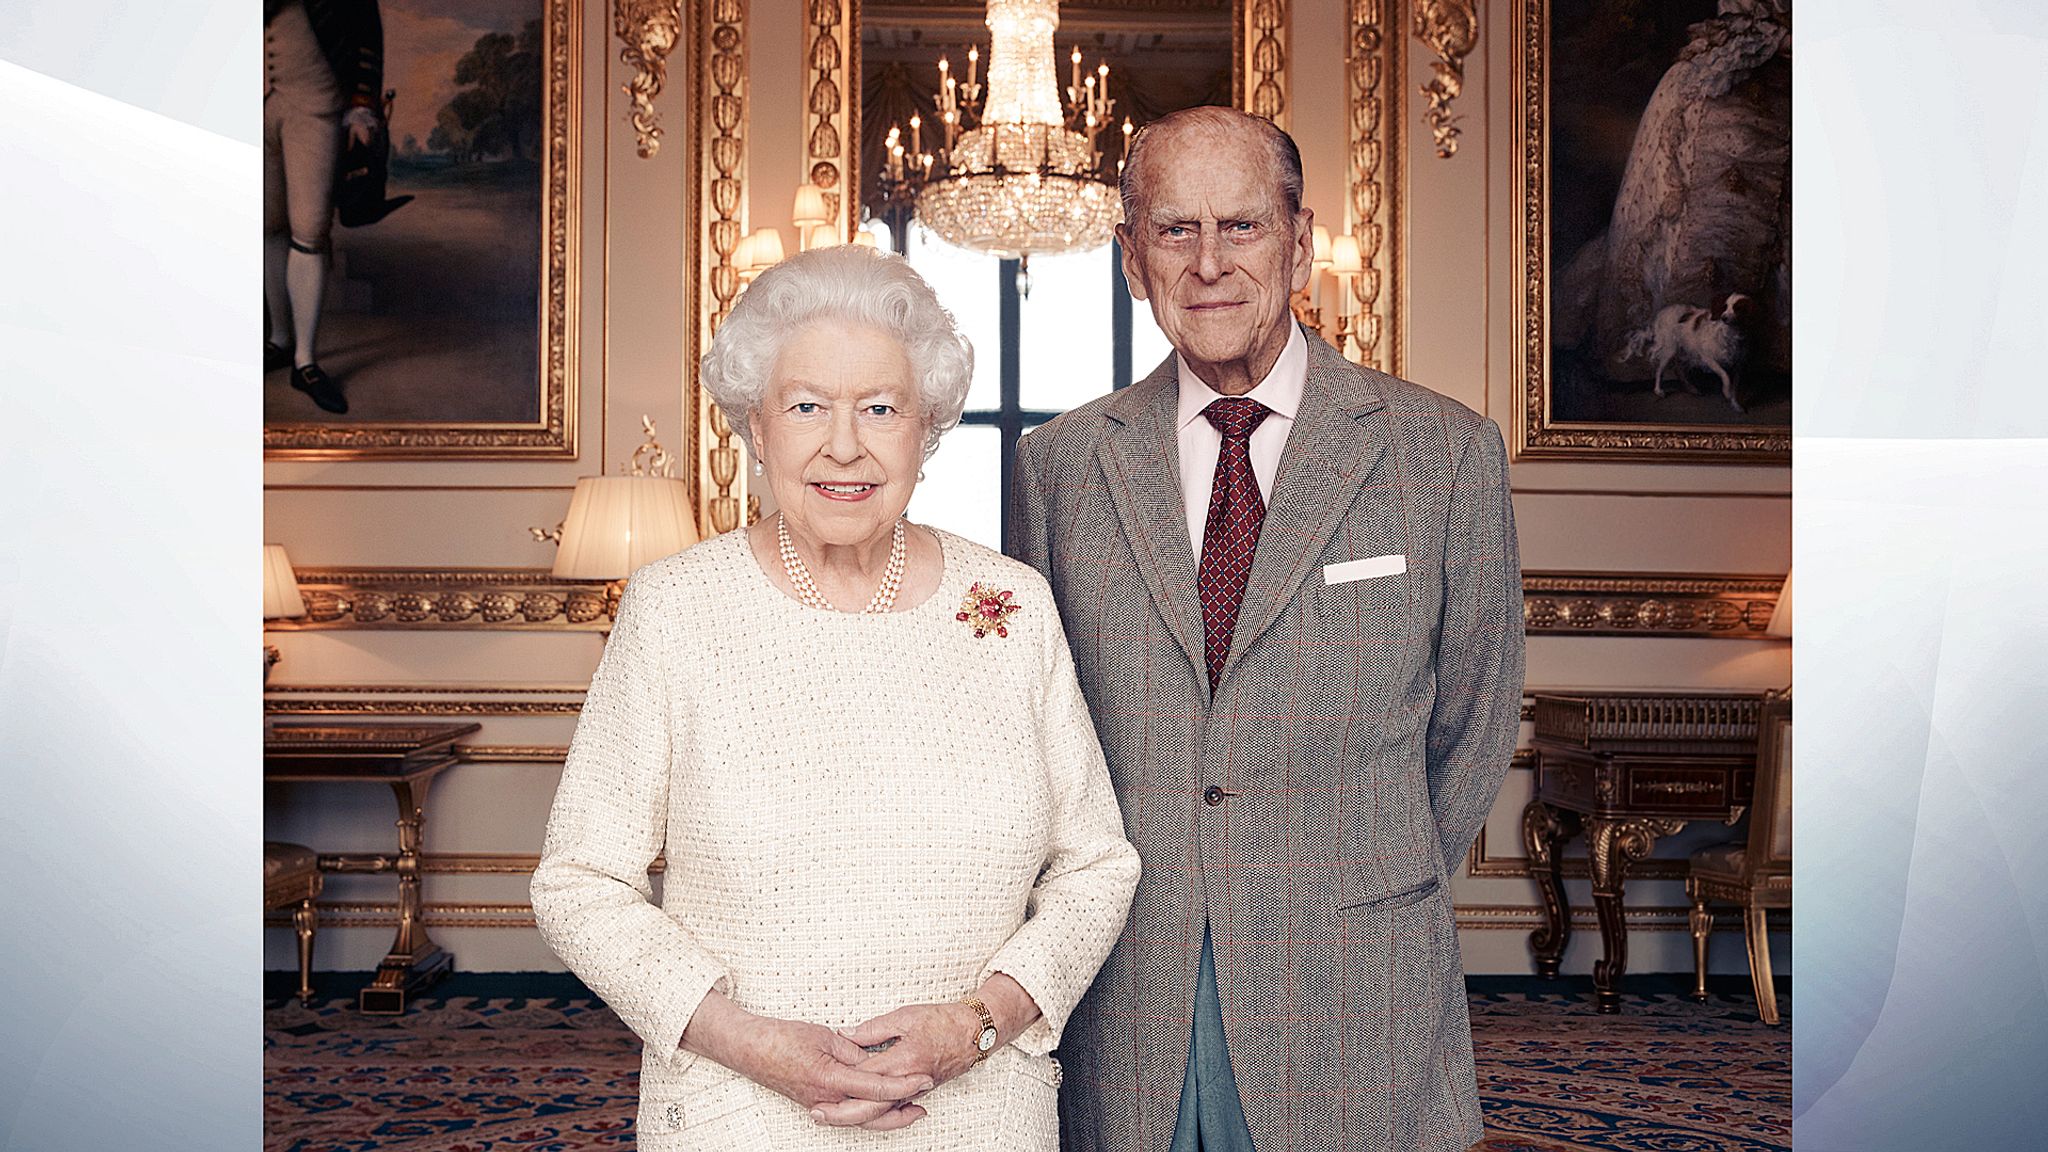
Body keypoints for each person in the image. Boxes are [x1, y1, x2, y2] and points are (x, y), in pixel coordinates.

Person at [531, 244, 1140, 1151]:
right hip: (739, 1115)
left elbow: (1097, 865)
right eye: (807, 406)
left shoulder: (1011, 606)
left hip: (980, 1117)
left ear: (926, 430)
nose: (845, 445)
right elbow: (578, 883)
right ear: (756, 426)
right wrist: (755, 1044)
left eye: (881, 409)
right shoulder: (675, 610)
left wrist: (979, 1024)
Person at [1008, 106, 1524, 1152]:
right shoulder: (1058, 466)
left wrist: (1356, 866)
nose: (1207, 263)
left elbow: (1474, 722)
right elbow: (1034, 734)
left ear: (1298, 242)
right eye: (1174, 229)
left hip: (1351, 970)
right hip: (1127, 983)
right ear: (1131, 257)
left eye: (1240, 226)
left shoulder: (1443, 454)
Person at [263, 0, 385, 414]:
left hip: (316, 108)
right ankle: (280, 340)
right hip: (260, 109)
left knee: (309, 232)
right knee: (269, 226)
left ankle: (305, 362)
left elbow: (367, 35)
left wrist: (362, 108)